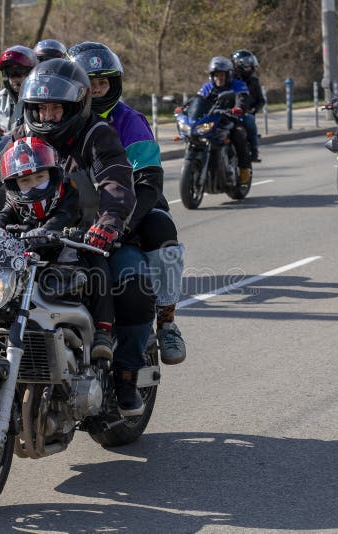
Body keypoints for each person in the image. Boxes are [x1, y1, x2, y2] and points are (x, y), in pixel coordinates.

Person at [0, 59, 152, 416]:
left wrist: (109, 222)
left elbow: (115, 181)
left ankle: (127, 377)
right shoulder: (23, 134)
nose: (48, 116)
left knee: (132, 280)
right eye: (41, 108)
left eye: (56, 108)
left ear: (75, 106)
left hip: (90, 235)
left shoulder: (96, 134)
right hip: (31, 235)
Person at [69, 40, 186, 365]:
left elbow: (148, 183)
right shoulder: (61, 118)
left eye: (103, 82)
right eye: (89, 84)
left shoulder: (128, 121)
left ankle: (166, 321)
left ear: (114, 83)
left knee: (161, 228)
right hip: (77, 212)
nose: (97, 89)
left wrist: (122, 225)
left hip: (131, 206)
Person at [0, 136, 115, 359]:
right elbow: (1, 216)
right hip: (28, 252)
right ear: (14, 184)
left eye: (40, 177)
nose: (34, 184)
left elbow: (64, 215)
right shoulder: (13, 200)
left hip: (70, 245)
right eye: (25, 181)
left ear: (53, 173)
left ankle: (103, 331)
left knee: (98, 266)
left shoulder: (68, 192)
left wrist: (46, 230)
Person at [198, 56, 252, 188]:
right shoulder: (208, 87)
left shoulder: (238, 85)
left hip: (231, 120)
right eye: (216, 75)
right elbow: (198, 99)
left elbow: (242, 98)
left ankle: (244, 169)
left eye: (221, 74)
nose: (219, 78)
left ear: (228, 74)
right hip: (212, 121)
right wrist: (186, 107)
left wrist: (238, 107)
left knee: (239, 134)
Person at [0, 45, 38, 133]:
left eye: (18, 72)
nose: (14, 78)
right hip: (2, 146)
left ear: (32, 73)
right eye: (9, 73)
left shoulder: (40, 101)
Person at [231, 49, 265, 162]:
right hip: (228, 112)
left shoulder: (254, 81)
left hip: (244, 113)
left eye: (250, 64)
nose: (249, 67)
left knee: (249, 120)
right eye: (246, 64)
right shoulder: (229, 80)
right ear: (236, 64)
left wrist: (253, 109)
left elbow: (261, 100)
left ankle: (254, 151)